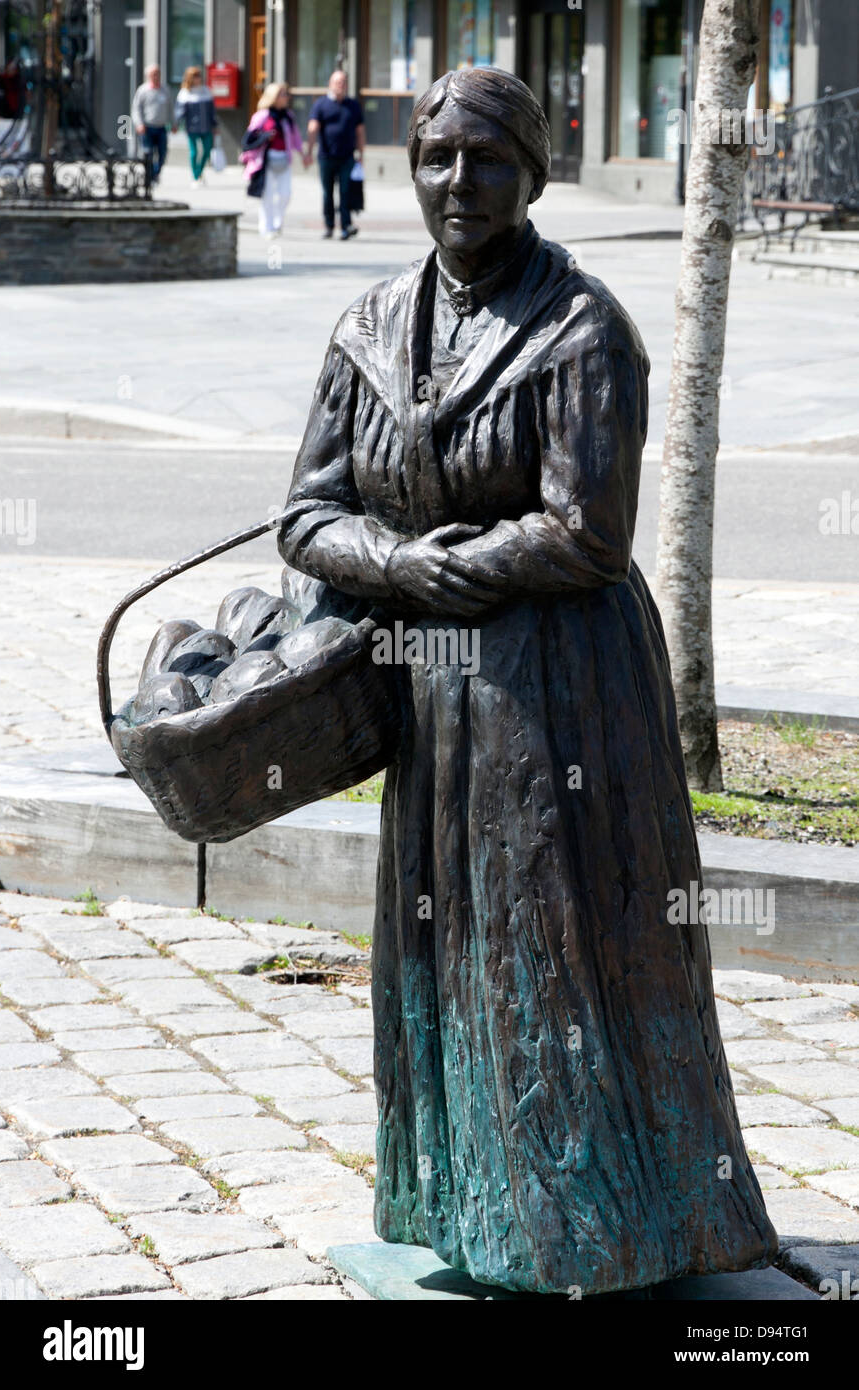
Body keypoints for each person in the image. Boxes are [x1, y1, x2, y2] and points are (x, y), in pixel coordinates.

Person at [278, 67, 778, 1296]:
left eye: (488, 159)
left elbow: (588, 530)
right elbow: (303, 514)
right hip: (433, 701)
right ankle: (459, 1202)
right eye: (440, 156)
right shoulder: (368, 325)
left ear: (533, 173)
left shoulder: (580, 327)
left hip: (563, 696)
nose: (460, 182)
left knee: (562, 945)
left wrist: (450, 572)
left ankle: (605, 1221)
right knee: (443, 946)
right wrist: (392, 560)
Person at [241, 82, 310, 238]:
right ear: (274, 97)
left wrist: (303, 154)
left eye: (286, 94)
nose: (286, 97)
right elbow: (249, 137)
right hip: (266, 160)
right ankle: (266, 227)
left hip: (284, 159)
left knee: (285, 194)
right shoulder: (262, 115)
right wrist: (266, 136)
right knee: (268, 195)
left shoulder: (288, 116)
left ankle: (278, 222)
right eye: (283, 94)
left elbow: (296, 138)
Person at [306, 70, 365, 240]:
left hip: (347, 156)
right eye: (338, 82)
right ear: (330, 84)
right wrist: (309, 151)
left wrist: (361, 154)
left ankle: (346, 226)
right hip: (326, 157)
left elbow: (360, 131)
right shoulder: (321, 104)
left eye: (344, 82)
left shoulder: (353, 105)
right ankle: (329, 225)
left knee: (345, 192)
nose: (341, 85)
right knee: (327, 193)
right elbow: (313, 128)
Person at [131, 64, 174, 184]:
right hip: (147, 127)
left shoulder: (165, 90)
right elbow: (136, 109)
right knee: (147, 153)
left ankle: (155, 174)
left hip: (161, 127)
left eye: (158, 74)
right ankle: (149, 176)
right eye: (153, 74)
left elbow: (170, 108)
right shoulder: (143, 91)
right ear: (148, 76)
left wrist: (173, 123)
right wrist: (139, 124)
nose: (156, 76)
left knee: (162, 153)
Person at [175, 66, 217, 185]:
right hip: (192, 127)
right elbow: (179, 112)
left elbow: (212, 111)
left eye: (199, 76)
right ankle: (195, 176)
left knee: (207, 150)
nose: (198, 79)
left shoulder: (206, 91)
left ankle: (199, 172)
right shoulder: (184, 93)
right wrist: (176, 124)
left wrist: (215, 125)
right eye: (195, 76)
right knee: (194, 151)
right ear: (190, 78)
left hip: (206, 126)